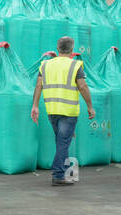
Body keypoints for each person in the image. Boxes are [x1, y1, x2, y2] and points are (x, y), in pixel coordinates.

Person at [30, 36, 95, 186]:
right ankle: (58, 175)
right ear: (72, 49)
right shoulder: (75, 65)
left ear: (58, 48)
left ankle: (64, 172)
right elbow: (83, 87)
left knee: (60, 142)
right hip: (68, 111)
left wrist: (35, 105)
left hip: (52, 110)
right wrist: (90, 106)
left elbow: (38, 86)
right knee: (63, 143)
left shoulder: (45, 65)